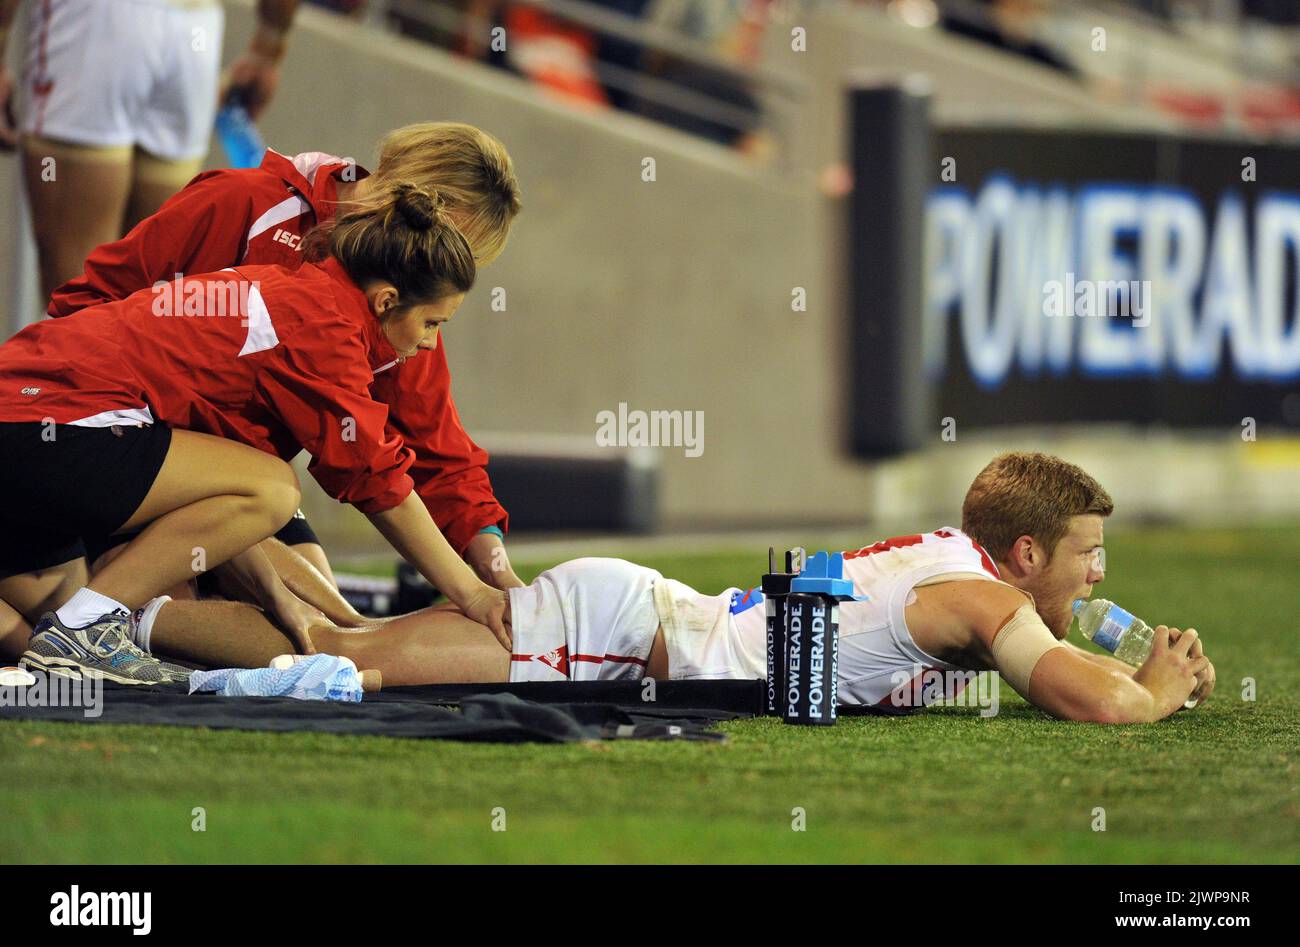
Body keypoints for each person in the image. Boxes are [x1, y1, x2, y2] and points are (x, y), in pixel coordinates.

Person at [106, 452, 1217, 723]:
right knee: (353, 664)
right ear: (1022, 557)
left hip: (635, 616)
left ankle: (144, 588)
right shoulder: (983, 601)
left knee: (351, 635)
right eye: (1086, 553)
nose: (1099, 572)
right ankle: (112, 611)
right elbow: (1089, 700)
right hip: (621, 638)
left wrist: (1119, 656)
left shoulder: (959, 566)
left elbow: (1056, 665)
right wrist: (1149, 688)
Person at [1, 183, 512, 683]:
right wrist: (472, 592)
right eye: (432, 324)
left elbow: (211, 507)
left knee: (46, 650)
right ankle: (86, 627)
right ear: (385, 301)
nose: (428, 344)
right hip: (44, 426)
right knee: (273, 488)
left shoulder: (295, 291)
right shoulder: (322, 326)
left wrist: (287, 596)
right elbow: (376, 481)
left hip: (38, 424)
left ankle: (81, 627)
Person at [41, 121, 524, 593]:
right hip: (119, 439)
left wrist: (496, 566)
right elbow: (83, 311)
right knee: (257, 611)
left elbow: (436, 444)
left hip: (239, 481)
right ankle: (75, 623)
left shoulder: (406, 289)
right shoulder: (241, 202)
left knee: (316, 615)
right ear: (415, 204)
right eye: (442, 247)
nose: (437, 266)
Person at [0, 0, 301, 304]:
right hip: (195, 30)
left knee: (75, 296)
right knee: (146, 295)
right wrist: (269, 44)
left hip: (95, 25)